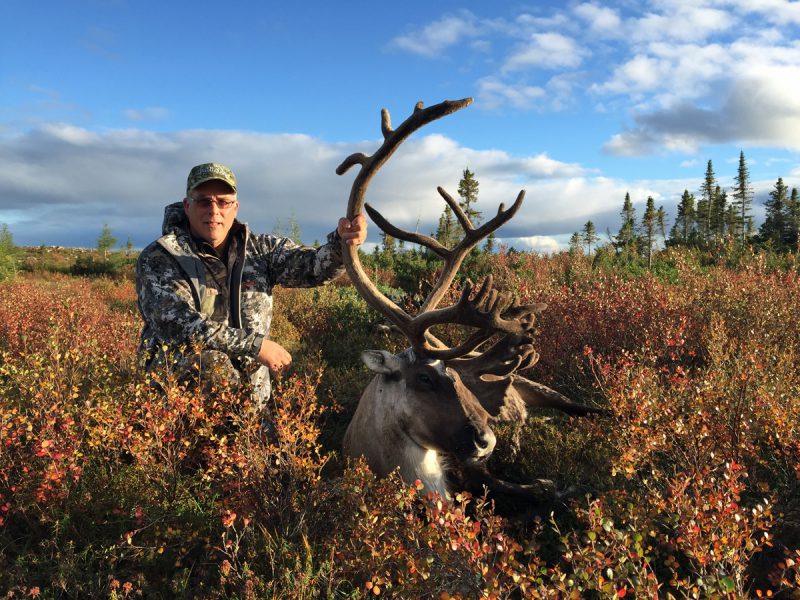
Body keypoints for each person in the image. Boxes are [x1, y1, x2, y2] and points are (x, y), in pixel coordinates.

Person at [135, 162, 367, 408]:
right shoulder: (159, 258)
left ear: (235, 207)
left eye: (223, 202)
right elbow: (178, 325)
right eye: (204, 201)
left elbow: (312, 268)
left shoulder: (261, 249)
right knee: (210, 363)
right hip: (174, 404)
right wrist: (255, 346)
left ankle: (251, 422)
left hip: (252, 398)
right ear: (187, 206)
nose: (214, 211)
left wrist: (341, 244)